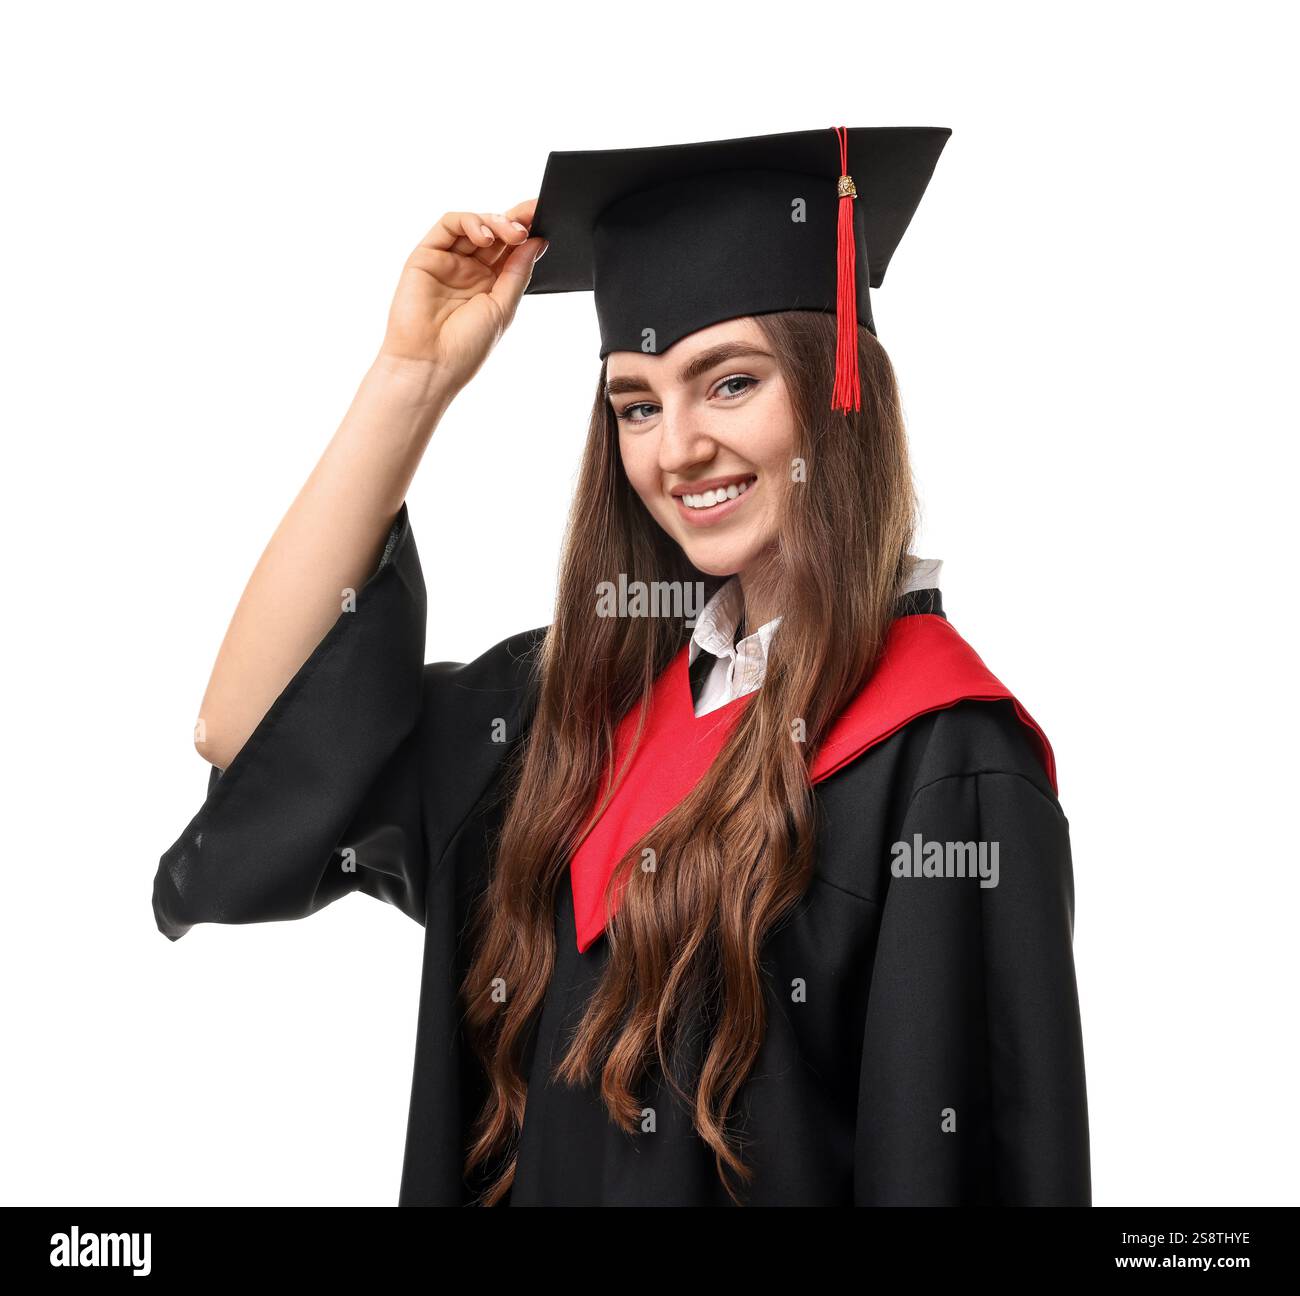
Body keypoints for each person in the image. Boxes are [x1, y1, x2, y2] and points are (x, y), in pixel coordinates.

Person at [153, 126, 1090, 1206]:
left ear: (840, 391)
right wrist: (410, 379)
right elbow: (248, 730)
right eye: (636, 403)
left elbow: (952, 1172)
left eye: (729, 383)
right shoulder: (562, 716)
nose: (673, 447)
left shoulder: (939, 765)